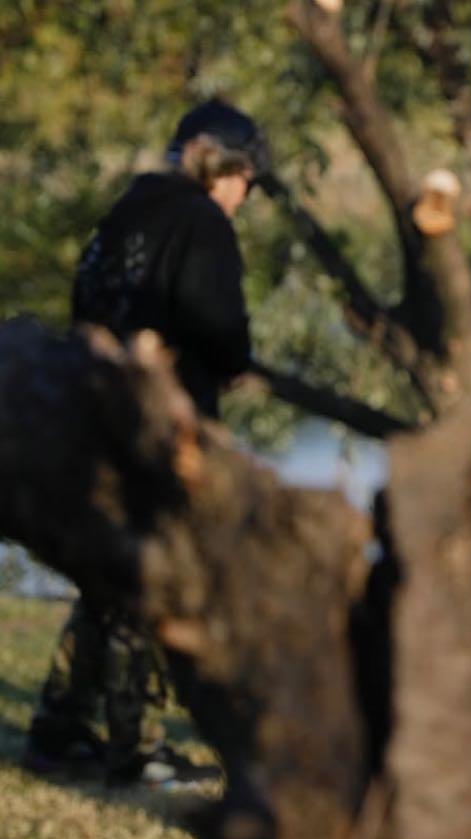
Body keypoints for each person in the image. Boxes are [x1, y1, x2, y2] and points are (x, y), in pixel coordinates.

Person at [23, 99, 268, 789]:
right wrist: (233, 363)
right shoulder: (200, 223)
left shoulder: (128, 210)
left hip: (96, 416)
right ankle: (136, 747)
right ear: (220, 163)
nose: (245, 195)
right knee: (152, 580)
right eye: (245, 178)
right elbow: (221, 329)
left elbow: (86, 307)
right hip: (163, 431)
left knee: (108, 579)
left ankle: (58, 731)